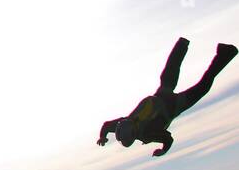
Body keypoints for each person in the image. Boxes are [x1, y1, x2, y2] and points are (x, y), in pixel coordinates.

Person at [98, 38, 237, 157]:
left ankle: (226, 53)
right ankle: (183, 43)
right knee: (172, 69)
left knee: (203, 84)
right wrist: (102, 136)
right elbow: (106, 126)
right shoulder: (123, 122)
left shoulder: (146, 134)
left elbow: (168, 140)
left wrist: (163, 151)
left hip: (176, 105)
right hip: (162, 93)